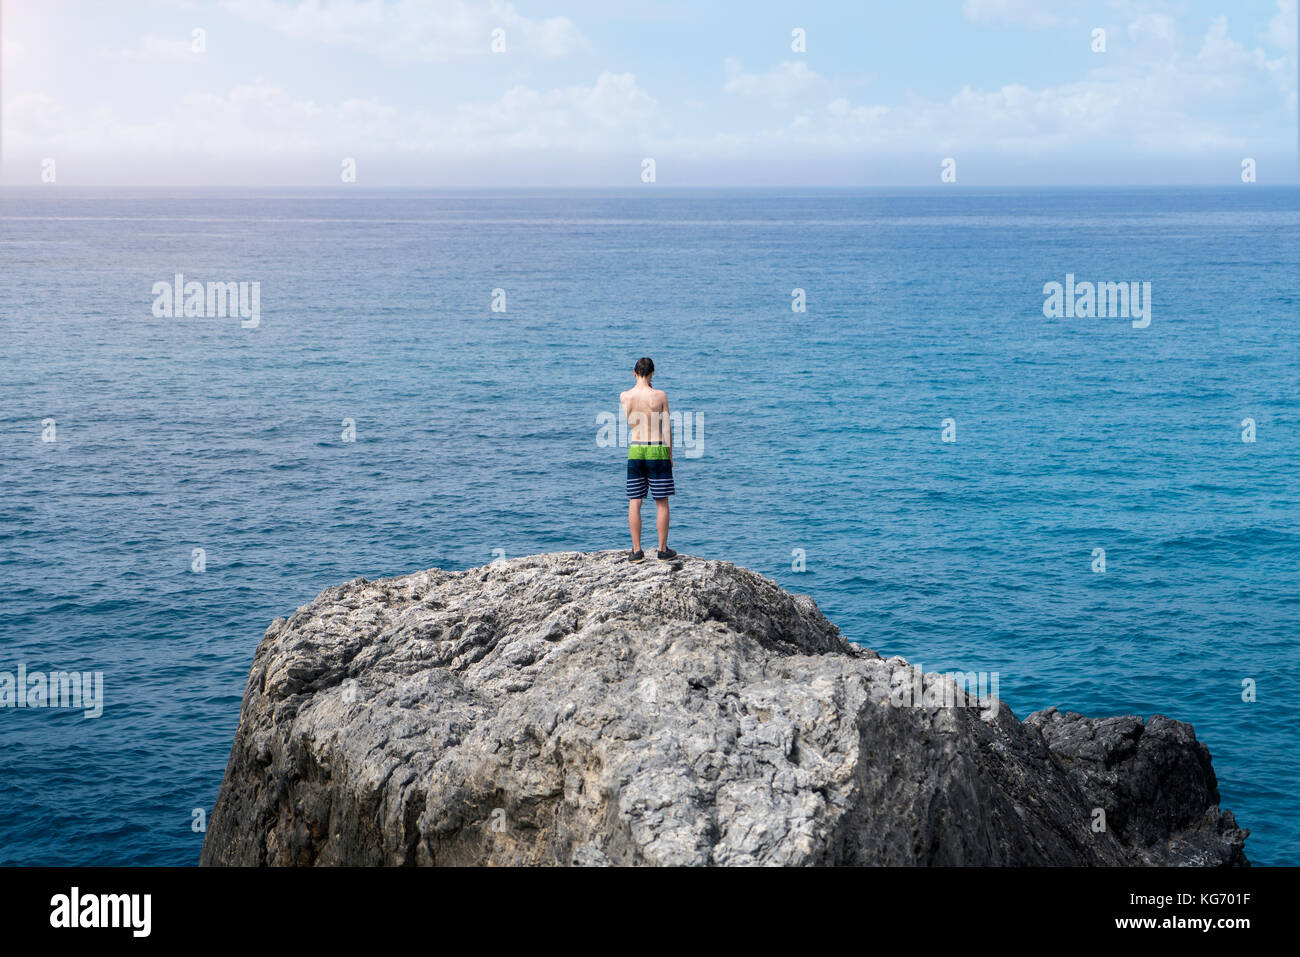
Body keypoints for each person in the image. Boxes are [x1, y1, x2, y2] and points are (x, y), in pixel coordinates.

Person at [620, 357, 676, 562]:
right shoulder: (659, 395)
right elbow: (667, 428)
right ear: (652, 373)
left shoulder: (625, 396)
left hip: (635, 449)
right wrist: (670, 456)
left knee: (635, 501)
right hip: (657, 448)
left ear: (634, 373)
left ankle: (636, 551)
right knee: (661, 503)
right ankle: (662, 549)